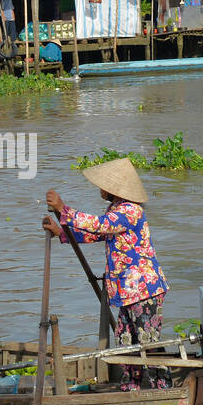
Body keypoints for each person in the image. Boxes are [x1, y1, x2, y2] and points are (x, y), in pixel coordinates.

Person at [42, 157, 170, 391]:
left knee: (147, 343)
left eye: (103, 185)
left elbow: (101, 225)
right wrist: (61, 233)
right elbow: (99, 234)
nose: (99, 189)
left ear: (113, 189)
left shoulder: (130, 211)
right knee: (125, 342)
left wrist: (64, 209)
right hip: (126, 292)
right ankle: (131, 388)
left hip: (143, 290)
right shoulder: (116, 209)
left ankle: (163, 390)